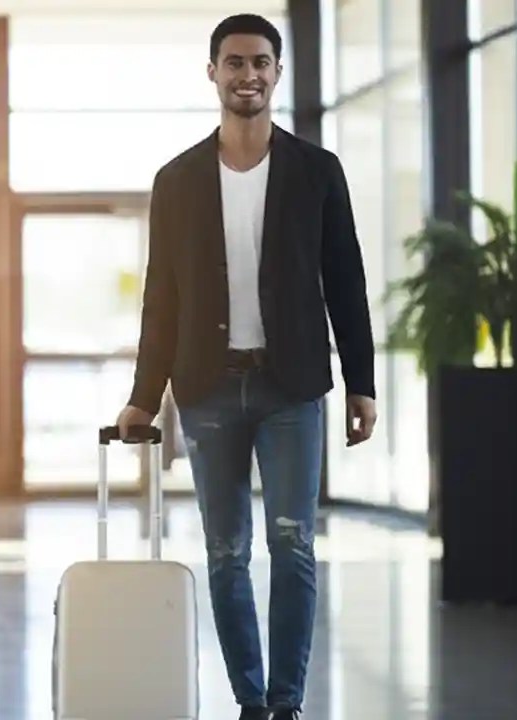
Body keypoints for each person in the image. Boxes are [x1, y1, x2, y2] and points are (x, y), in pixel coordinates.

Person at [114, 13, 377, 720]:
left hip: (292, 387)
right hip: (206, 389)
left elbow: (344, 279)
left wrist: (363, 382)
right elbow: (160, 297)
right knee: (228, 554)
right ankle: (252, 705)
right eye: (234, 63)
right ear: (213, 74)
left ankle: (287, 704)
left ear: (277, 72)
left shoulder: (317, 171)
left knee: (292, 550)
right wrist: (144, 396)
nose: (248, 75)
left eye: (261, 62)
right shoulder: (177, 180)